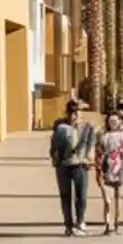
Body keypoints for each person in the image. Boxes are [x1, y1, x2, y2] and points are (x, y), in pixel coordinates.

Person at [49, 100, 95, 236]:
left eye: (77, 112)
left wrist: (89, 159)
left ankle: (80, 221)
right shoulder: (59, 125)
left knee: (81, 196)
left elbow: (91, 145)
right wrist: (54, 156)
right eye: (71, 112)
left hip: (80, 165)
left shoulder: (88, 127)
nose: (74, 115)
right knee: (65, 196)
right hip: (63, 165)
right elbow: (53, 144)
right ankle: (68, 224)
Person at [95, 114, 123, 236]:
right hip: (106, 170)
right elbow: (98, 155)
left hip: (119, 169)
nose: (114, 123)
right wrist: (98, 171)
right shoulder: (103, 136)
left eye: (116, 120)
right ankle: (107, 224)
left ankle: (116, 224)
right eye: (111, 121)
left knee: (118, 198)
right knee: (107, 200)